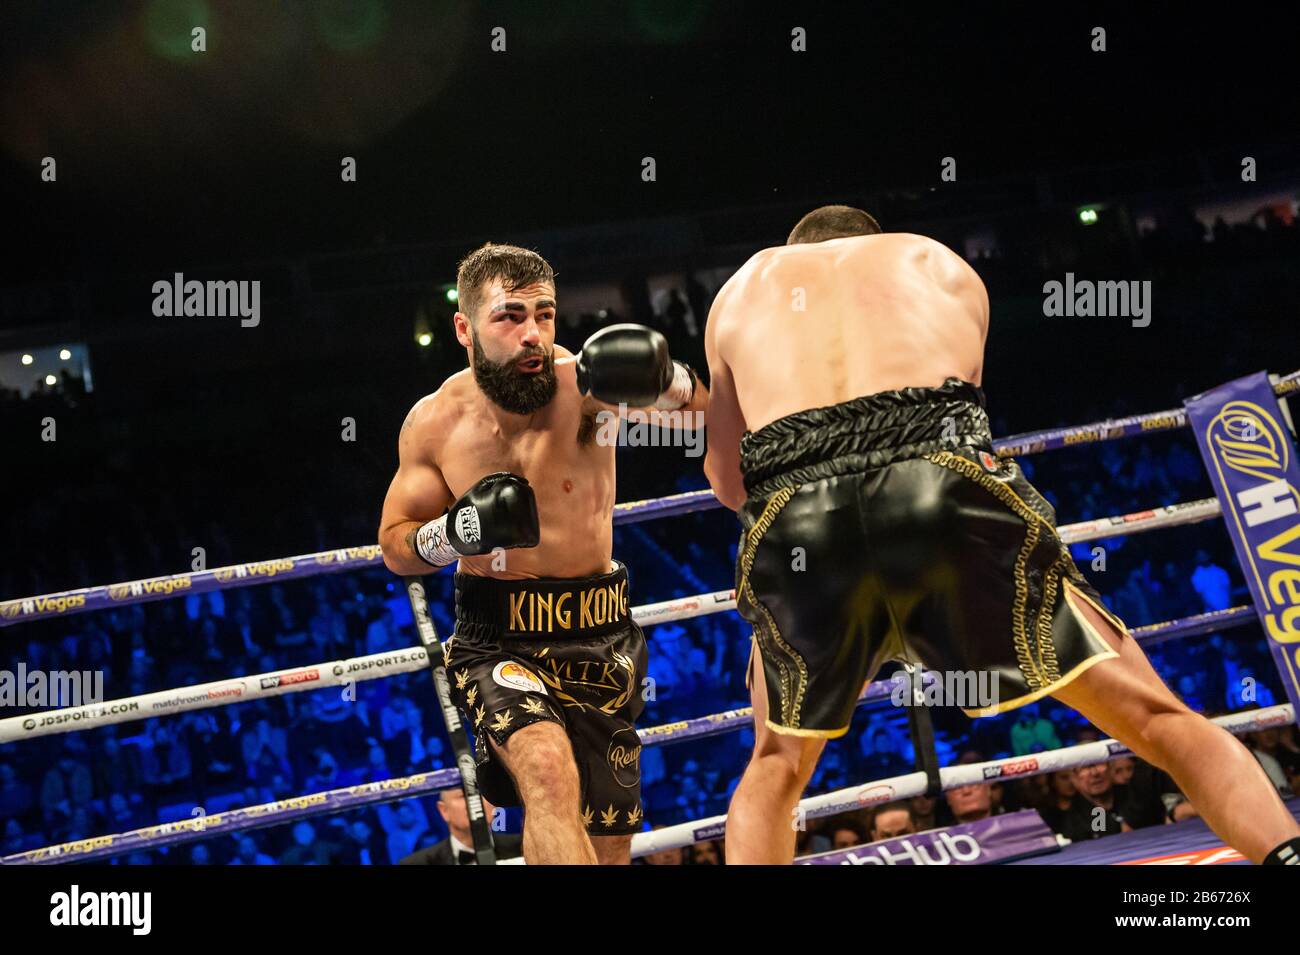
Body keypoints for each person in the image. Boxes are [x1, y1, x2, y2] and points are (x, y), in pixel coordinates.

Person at [702, 204, 1300, 865]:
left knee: (776, 767)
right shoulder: (937, 262)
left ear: (795, 250)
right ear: (875, 243)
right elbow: (960, 419)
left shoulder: (743, 287)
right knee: (1156, 718)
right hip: (939, 480)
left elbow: (730, 483)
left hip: (801, 515)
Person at [379, 243, 707, 865]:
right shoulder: (434, 423)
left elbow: (708, 417)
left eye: (545, 315)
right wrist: (453, 534)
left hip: (600, 630)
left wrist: (671, 381)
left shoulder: (587, 385)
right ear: (465, 328)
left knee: (606, 843)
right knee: (547, 776)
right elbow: (397, 545)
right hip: (497, 638)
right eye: (509, 316)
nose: (533, 334)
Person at [399, 789, 522, 865]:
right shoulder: (417, 863)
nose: (475, 800)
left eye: (481, 792)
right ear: (444, 810)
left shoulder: (523, 847)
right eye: (464, 795)